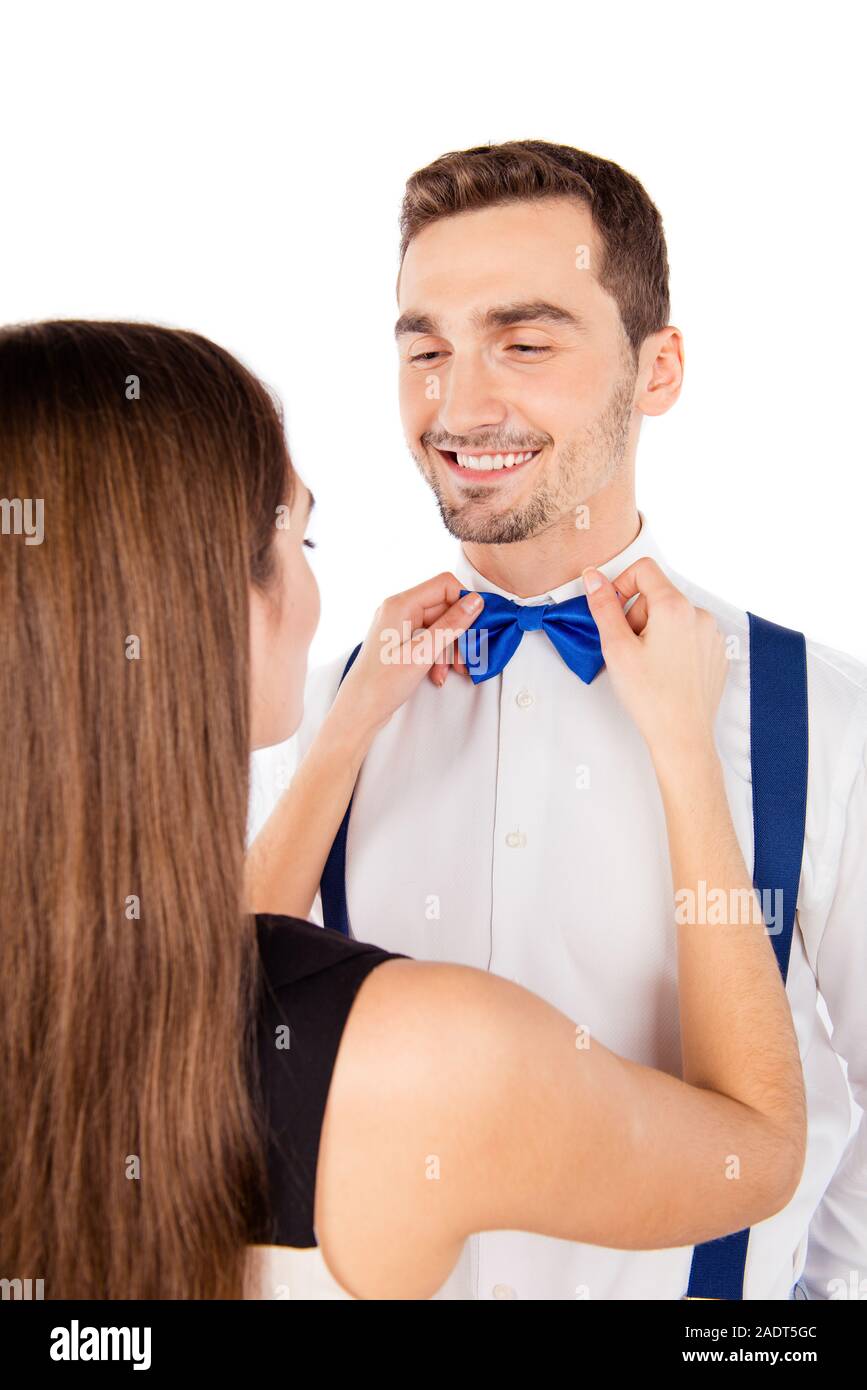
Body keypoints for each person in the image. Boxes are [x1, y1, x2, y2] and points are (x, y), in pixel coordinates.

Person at [0, 319, 805, 1302]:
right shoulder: (422, 1059)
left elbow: (197, 976)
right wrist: (686, 750)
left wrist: (344, 733)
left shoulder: (95, 1000)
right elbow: (757, 1156)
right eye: (299, 538)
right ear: (204, 600)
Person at [268, 140, 867, 1301]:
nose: (460, 400)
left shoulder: (823, 714)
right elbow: (214, 1046)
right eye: (425, 348)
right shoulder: (321, 704)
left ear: (659, 370)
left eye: (525, 341)